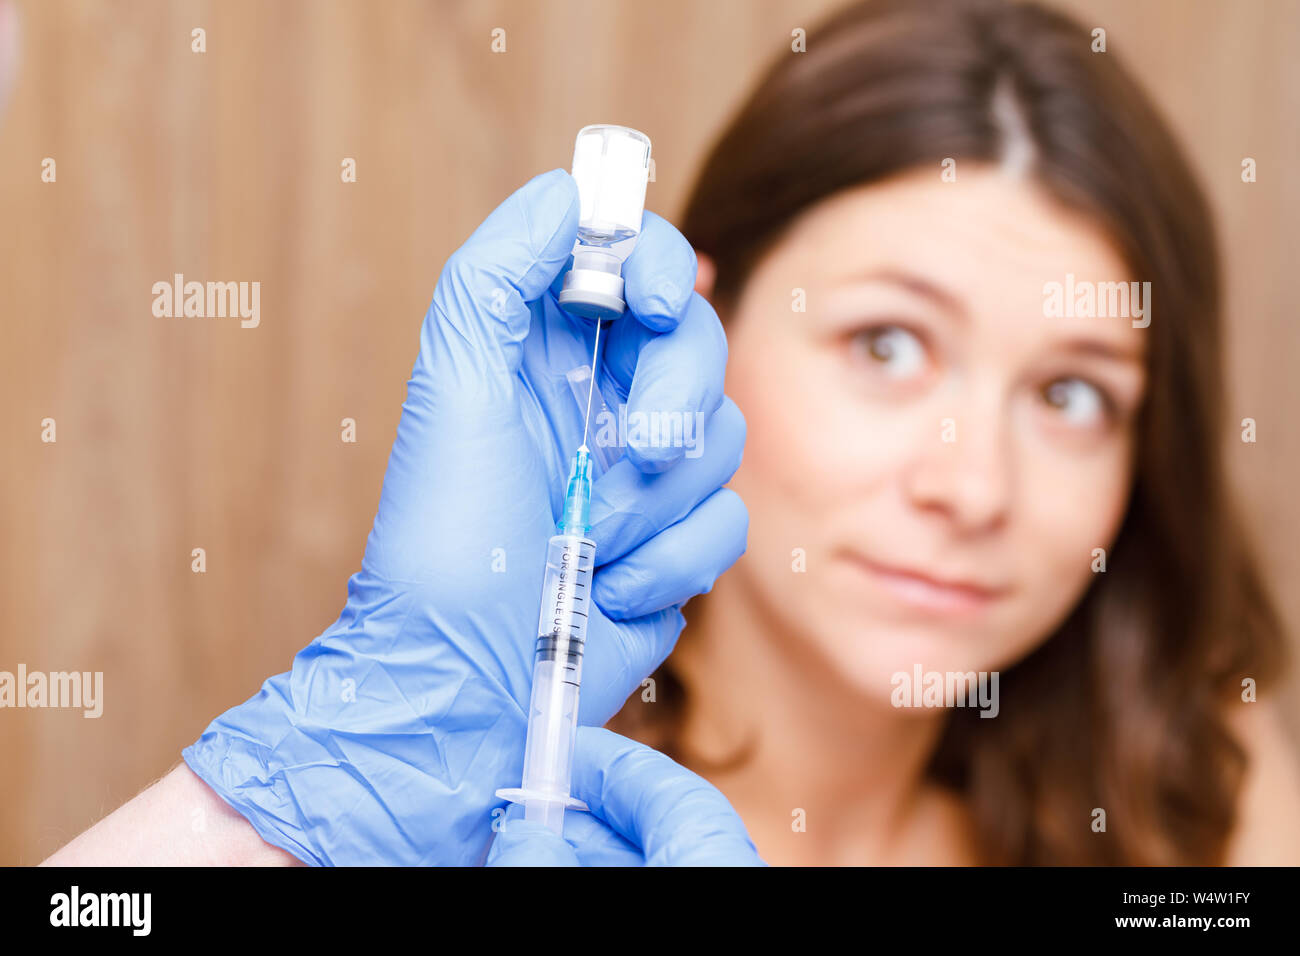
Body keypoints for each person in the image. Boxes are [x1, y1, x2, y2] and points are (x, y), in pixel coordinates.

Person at [42, 0, 1300, 866]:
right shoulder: (465, 795)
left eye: (1071, 392)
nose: (973, 483)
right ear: (697, 318)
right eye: (885, 344)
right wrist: (268, 809)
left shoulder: (1182, 789)